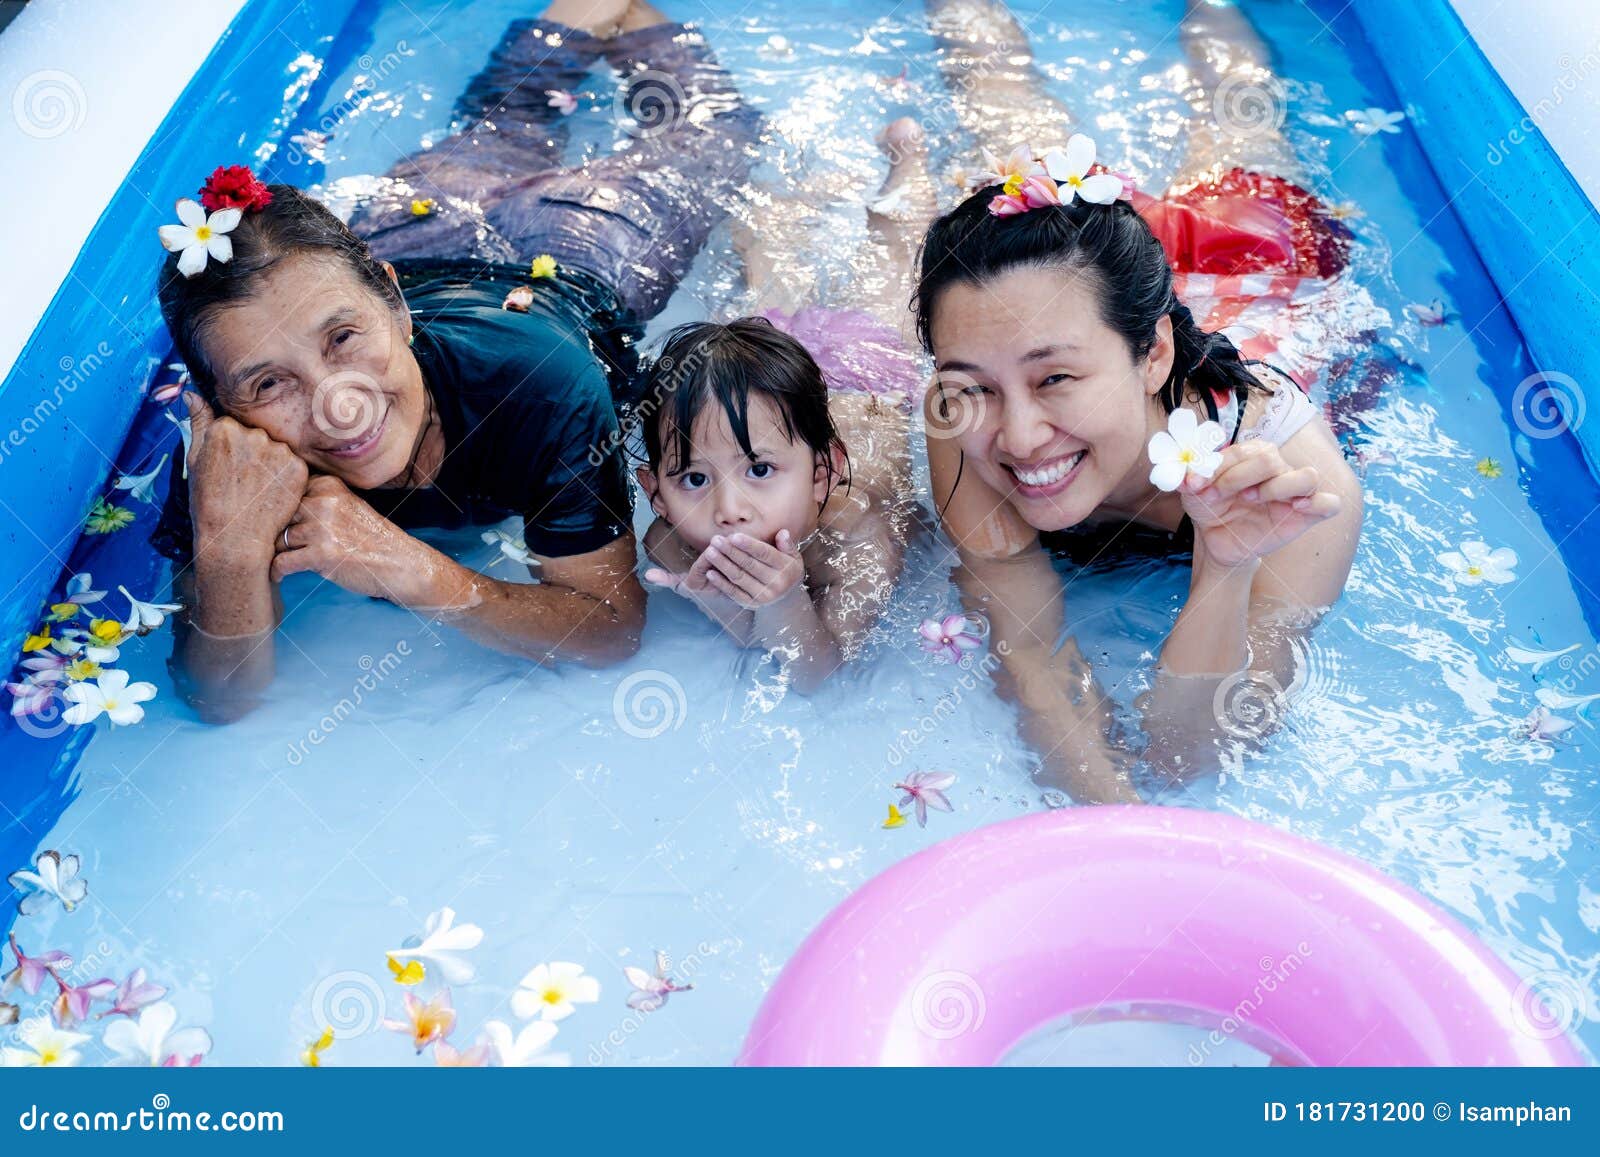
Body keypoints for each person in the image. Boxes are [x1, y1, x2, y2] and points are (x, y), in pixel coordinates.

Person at [150, 0, 760, 721]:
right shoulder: (233, 457)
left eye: (343, 338)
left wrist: (416, 572)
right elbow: (221, 698)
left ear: (393, 306)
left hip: (565, 256)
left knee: (716, 136)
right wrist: (227, 547)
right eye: (269, 381)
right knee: (502, 124)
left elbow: (610, 628)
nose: (336, 403)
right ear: (219, 402)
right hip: (422, 227)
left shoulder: (540, 386)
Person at [916, 0, 1365, 801]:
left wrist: (1223, 571)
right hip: (1085, 295)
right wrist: (1108, 818)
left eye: (1054, 379)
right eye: (976, 385)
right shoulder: (962, 411)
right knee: (1001, 113)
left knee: (1236, 118)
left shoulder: (1294, 479)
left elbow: (1196, 752)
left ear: (1154, 353)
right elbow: (1033, 658)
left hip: (1256, 264)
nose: (1017, 436)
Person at [634, 120, 931, 691]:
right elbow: (755, 637)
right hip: (761, 386)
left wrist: (786, 595)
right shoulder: (668, 541)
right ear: (656, 494)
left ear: (825, 473)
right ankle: (798, 195)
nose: (730, 509)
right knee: (766, 259)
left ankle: (906, 161)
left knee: (897, 264)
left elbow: (817, 674)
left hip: (865, 368)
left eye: (760, 471)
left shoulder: (859, 537)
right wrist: (738, 600)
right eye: (693, 478)